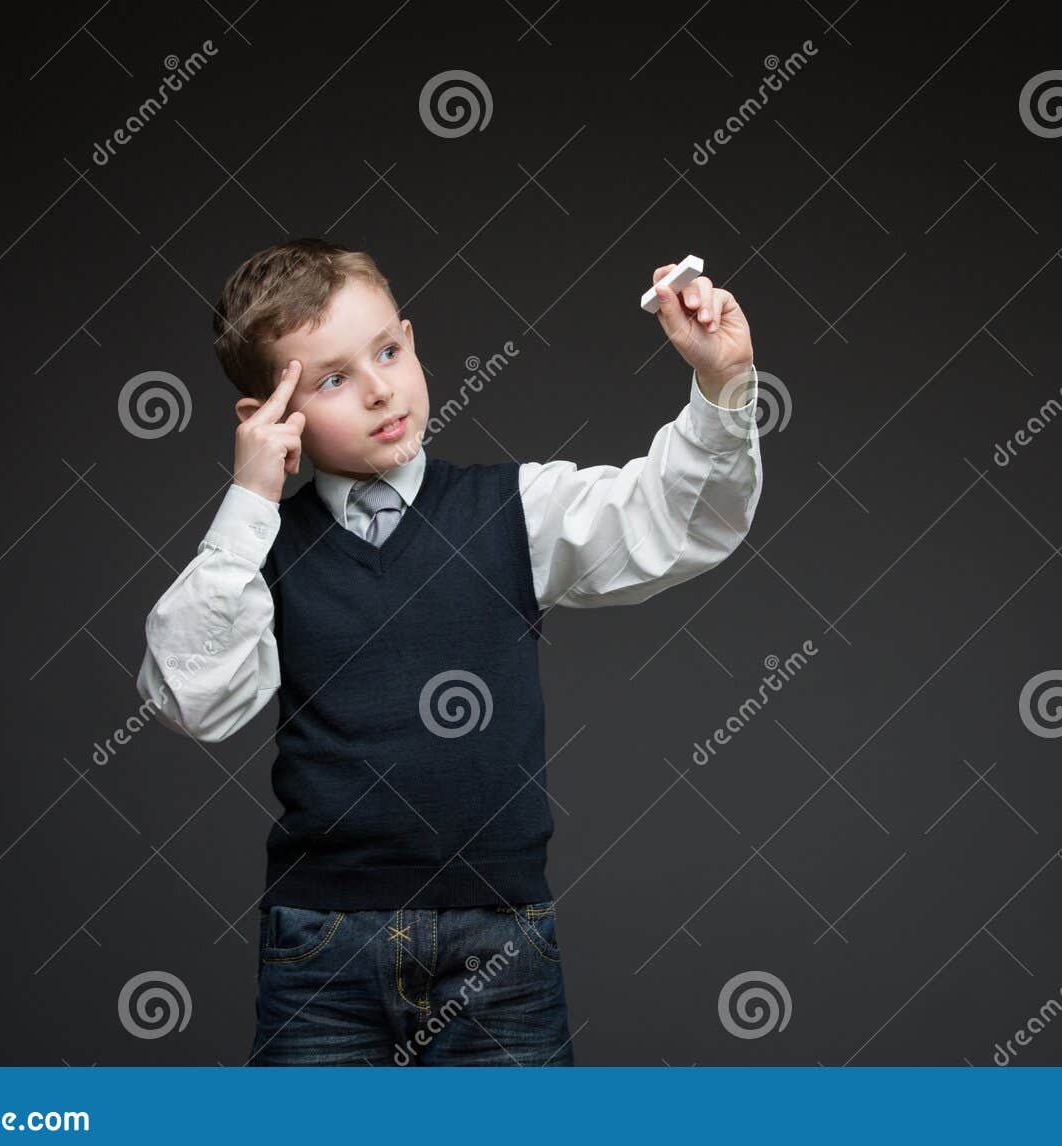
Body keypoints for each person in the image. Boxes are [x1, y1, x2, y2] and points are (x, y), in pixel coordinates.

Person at [135, 237, 763, 1064]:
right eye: (331, 380)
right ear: (268, 417)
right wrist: (250, 497)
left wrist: (723, 384)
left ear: (411, 339)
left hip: (501, 944)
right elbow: (190, 696)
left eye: (386, 352)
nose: (379, 389)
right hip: (321, 950)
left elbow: (677, 521)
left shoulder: (514, 509)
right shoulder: (264, 552)